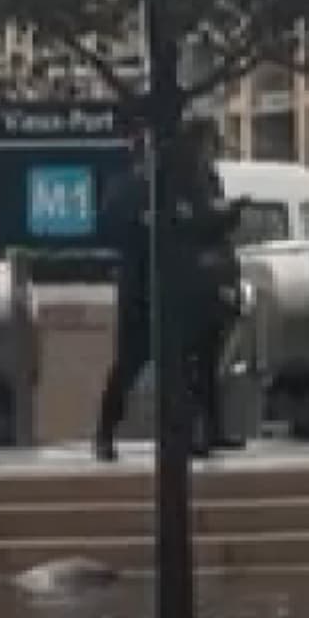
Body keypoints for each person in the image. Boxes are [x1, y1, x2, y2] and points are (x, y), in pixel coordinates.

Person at [93, 120, 243, 462]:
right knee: (129, 364)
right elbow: (111, 227)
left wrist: (224, 217)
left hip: (177, 289)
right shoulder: (127, 187)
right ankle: (104, 432)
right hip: (139, 290)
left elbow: (198, 227)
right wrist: (145, 221)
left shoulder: (182, 185)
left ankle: (191, 434)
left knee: (184, 365)